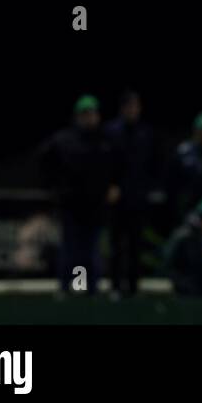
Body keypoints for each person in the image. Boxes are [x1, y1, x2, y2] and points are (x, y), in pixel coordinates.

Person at [37, 94, 119, 295]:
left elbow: (117, 167)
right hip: (71, 205)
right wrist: (55, 188)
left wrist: (113, 185)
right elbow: (43, 163)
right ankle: (66, 289)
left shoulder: (105, 140)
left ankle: (91, 290)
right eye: (85, 114)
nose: (89, 117)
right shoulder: (63, 140)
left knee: (91, 252)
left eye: (92, 113)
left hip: (96, 206)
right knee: (70, 250)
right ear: (77, 116)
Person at [104, 88, 158, 298]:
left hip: (138, 198)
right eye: (129, 106)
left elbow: (154, 163)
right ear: (123, 108)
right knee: (116, 245)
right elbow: (104, 163)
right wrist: (109, 185)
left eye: (136, 106)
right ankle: (116, 288)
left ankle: (134, 289)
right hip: (116, 199)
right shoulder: (110, 131)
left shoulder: (146, 132)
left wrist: (149, 188)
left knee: (136, 245)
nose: (133, 110)